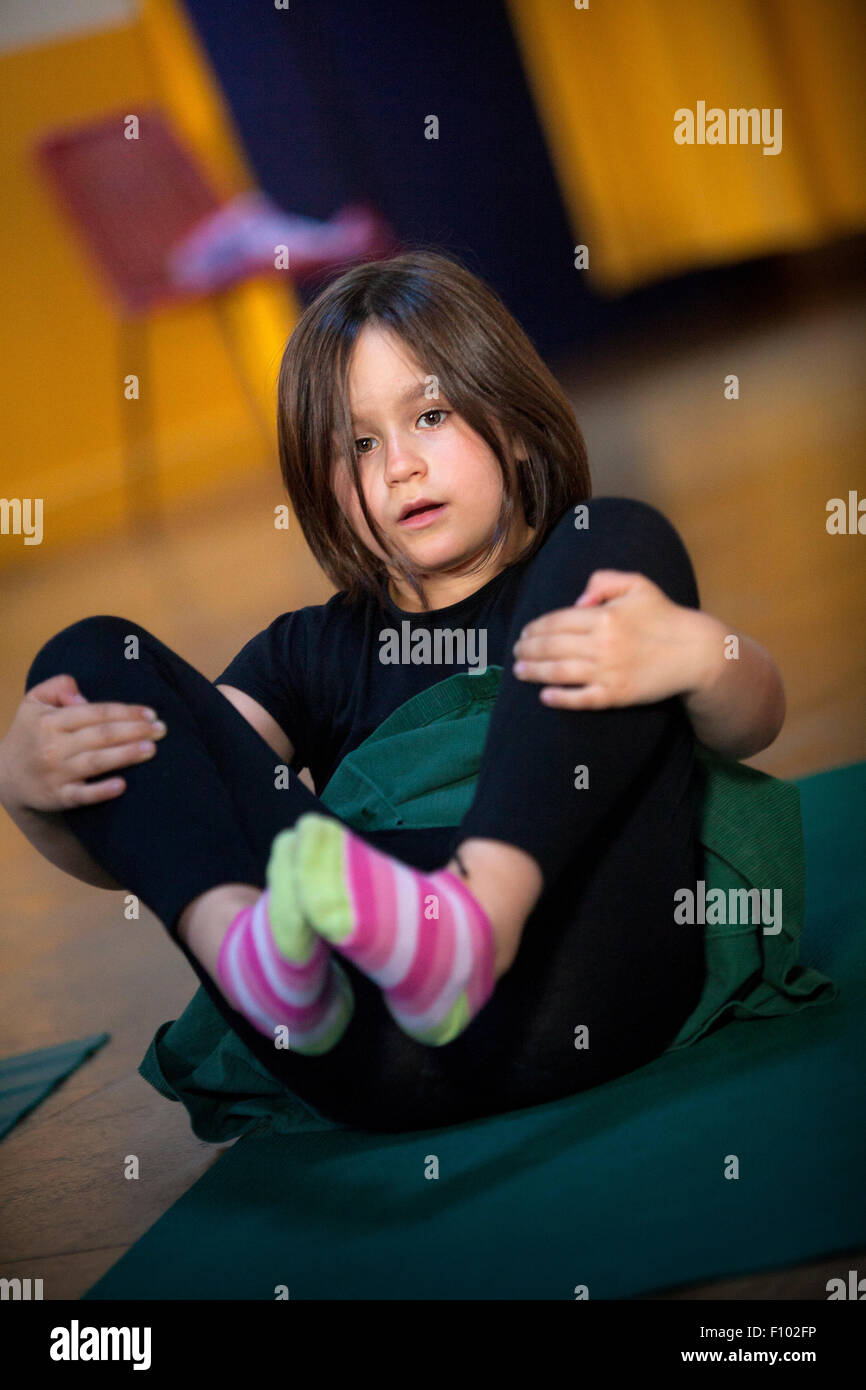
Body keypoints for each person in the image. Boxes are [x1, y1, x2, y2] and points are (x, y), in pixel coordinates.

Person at [0, 251, 784, 1133]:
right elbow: (172, 816)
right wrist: (31, 801)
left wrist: (699, 654)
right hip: (370, 1049)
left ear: (519, 424)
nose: (399, 464)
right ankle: (252, 954)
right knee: (92, 655)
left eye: (432, 414)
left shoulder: (584, 569)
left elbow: (753, 723)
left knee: (620, 530)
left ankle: (476, 916)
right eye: (357, 444)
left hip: (597, 984)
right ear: (323, 487)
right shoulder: (306, 653)